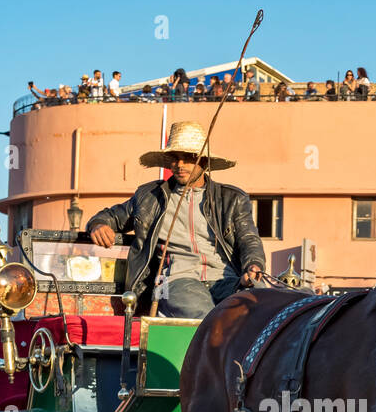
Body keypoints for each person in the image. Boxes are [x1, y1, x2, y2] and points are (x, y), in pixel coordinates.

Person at [84, 120, 265, 320]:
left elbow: (249, 239)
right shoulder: (149, 196)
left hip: (226, 280)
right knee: (205, 316)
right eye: (174, 158)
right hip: (173, 281)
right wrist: (98, 225)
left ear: (204, 162)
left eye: (188, 158)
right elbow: (111, 216)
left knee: (261, 309)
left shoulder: (232, 198)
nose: (179, 165)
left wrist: (253, 265)